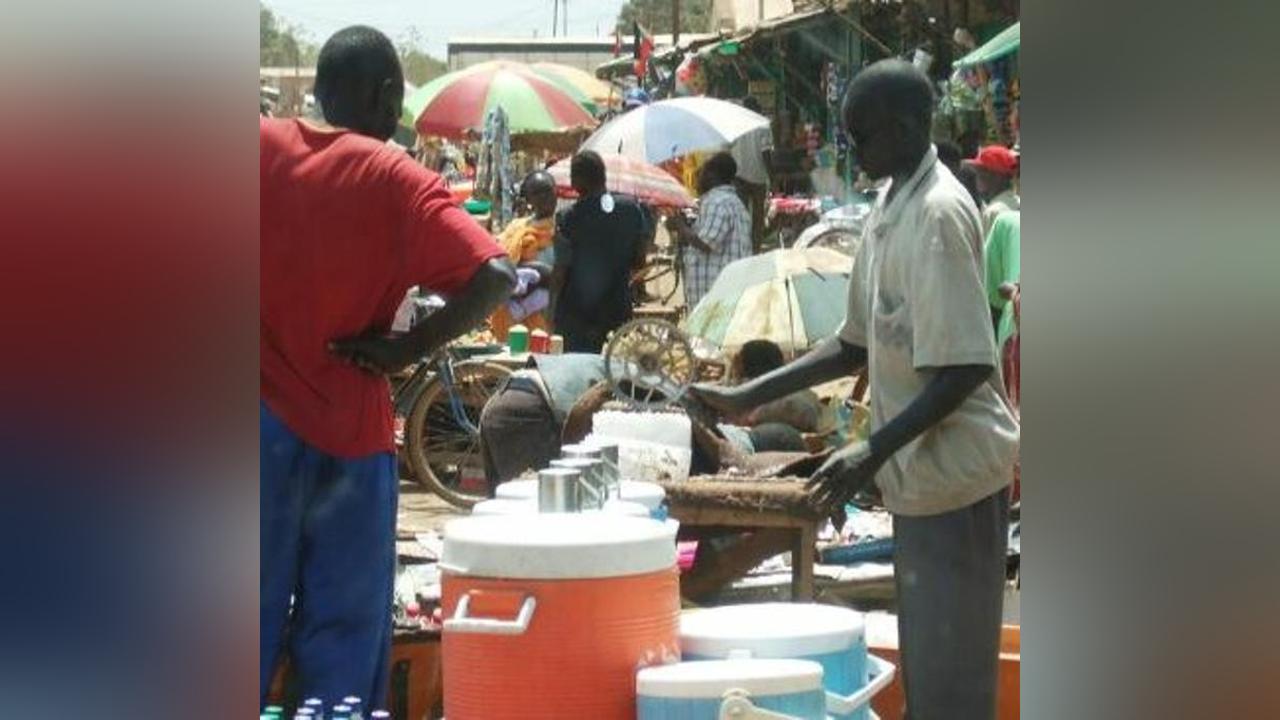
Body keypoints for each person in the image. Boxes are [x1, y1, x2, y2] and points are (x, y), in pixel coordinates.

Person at [693, 59, 1019, 720]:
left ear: (902, 129)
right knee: (928, 674)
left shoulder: (939, 214)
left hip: (957, 477)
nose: (851, 150)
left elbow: (965, 368)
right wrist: (743, 395)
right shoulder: (887, 205)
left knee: (952, 691)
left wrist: (870, 449)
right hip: (917, 477)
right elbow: (851, 345)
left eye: (859, 136)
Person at [260, 26, 515, 710]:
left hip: (255, 433)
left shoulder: (255, 149)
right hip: (349, 435)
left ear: (317, 90)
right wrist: (404, 351)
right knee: (341, 641)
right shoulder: (397, 176)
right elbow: (496, 276)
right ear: (386, 95)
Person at [550, 150, 651, 352]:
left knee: (580, 376)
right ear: (603, 175)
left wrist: (550, 310)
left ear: (578, 179)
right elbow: (639, 261)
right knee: (616, 369)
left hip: (577, 315)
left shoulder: (568, 218)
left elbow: (561, 270)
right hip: (618, 309)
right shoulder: (632, 209)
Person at [665, 151, 752, 310]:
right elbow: (703, 237)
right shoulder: (733, 202)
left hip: (715, 293)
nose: (698, 177)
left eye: (702, 171)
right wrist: (685, 228)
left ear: (712, 175)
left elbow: (706, 242)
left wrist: (680, 226)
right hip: (728, 290)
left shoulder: (717, 202)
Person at [488, 171, 558, 340]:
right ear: (529, 200)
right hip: (515, 324)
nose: (545, 197)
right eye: (537, 193)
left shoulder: (566, 228)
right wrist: (536, 270)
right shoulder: (516, 229)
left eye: (548, 191)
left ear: (556, 192)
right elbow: (499, 265)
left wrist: (547, 274)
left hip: (552, 322)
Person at [732, 97, 774, 252]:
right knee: (757, 218)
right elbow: (766, 152)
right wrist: (772, 176)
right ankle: (755, 249)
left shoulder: (736, 124)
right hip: (758, 177)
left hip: (739, 176)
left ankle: (742, 249)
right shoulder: (762, 124)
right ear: (757, 108)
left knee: (741, 218)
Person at [964, 144, 1020, 234]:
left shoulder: (993, 212)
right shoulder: (1017, 202)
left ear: (997, 176)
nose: (977, 175)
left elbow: (987, 248)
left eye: (981, 170)